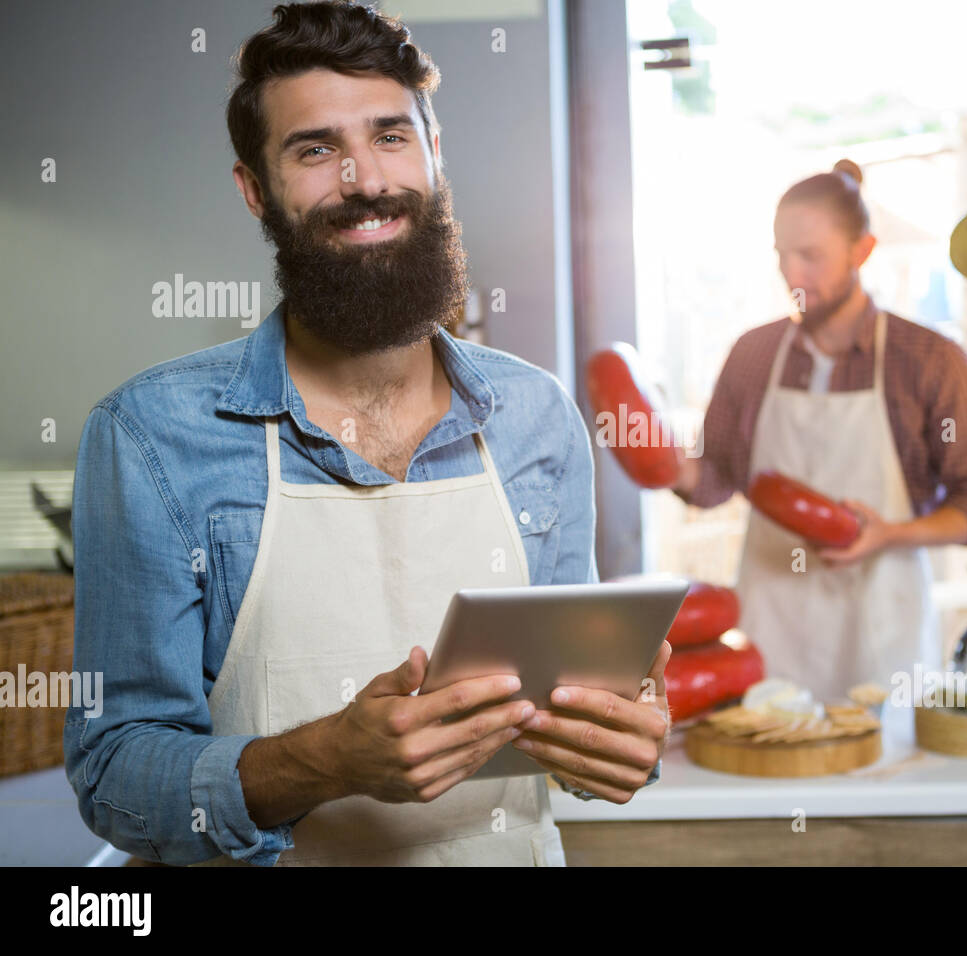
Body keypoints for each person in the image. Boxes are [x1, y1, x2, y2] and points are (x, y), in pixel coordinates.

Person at [65, 0, 667, 867]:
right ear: (254, 189)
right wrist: (327, 761)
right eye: (316, 150)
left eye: (391, 136)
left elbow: (574, 722)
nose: (367, 179)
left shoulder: (538, 418)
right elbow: (114, 772)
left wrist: (618, 741)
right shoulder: (151, 436)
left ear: (432, 153)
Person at [671, 160, 967, 703]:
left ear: (863, 251)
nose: (792, 275)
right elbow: (715, 480)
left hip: (884, 634)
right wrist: (662, 461)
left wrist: (888, 534)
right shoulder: (753, 355)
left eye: (811, 256)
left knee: (882, 772)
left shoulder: (931, 361)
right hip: (771, 634)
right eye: (782, 254)